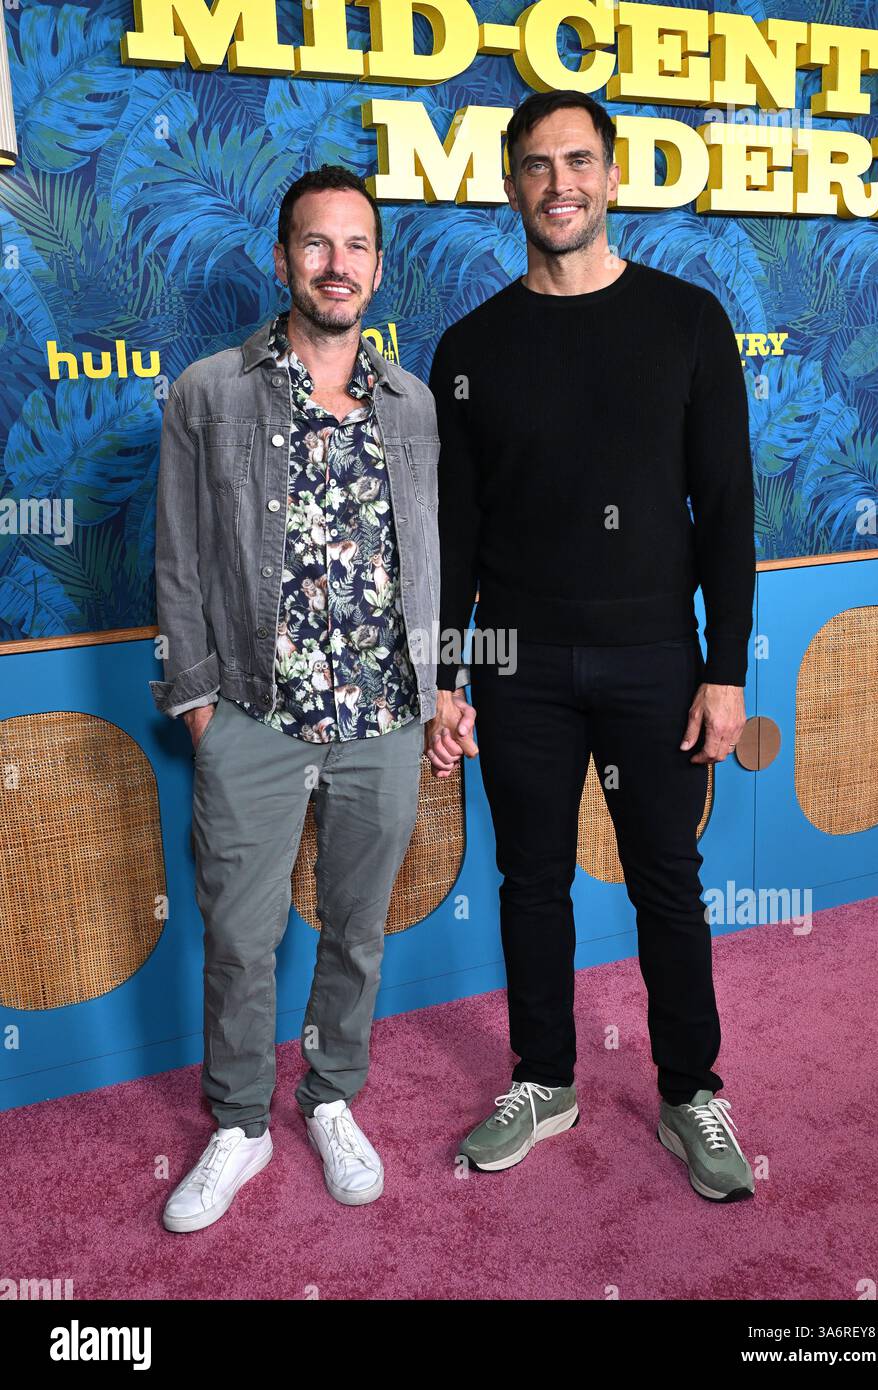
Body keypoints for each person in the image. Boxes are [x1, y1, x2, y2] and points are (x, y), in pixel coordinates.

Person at [424, 91, 757, 1202]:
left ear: (609, 178)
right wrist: (443, 675)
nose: (556, 182)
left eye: (576, 161)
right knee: (531, 881)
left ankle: (688, 1089)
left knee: (667, 879)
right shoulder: (468, 348)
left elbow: (726, 507)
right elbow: (453, 534)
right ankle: (543, 1078)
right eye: (534, 165)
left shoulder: (687, 321)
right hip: (518, 668)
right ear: (510, 185)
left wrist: (724, 669)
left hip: (655, 657)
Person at [150, 166, 441, 1229]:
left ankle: (328, 1099)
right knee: (241, 933)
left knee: (357, 928)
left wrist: (439, 688)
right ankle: (237, 1123)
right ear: (281, 261)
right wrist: (196, 706)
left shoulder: (409, 403)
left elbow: (436, 555)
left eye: (355, 245)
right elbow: (176, 562)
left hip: (383, 717)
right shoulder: (208, 391)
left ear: (375, 264)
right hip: (253, 718)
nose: (335, 264)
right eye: (314, 245)